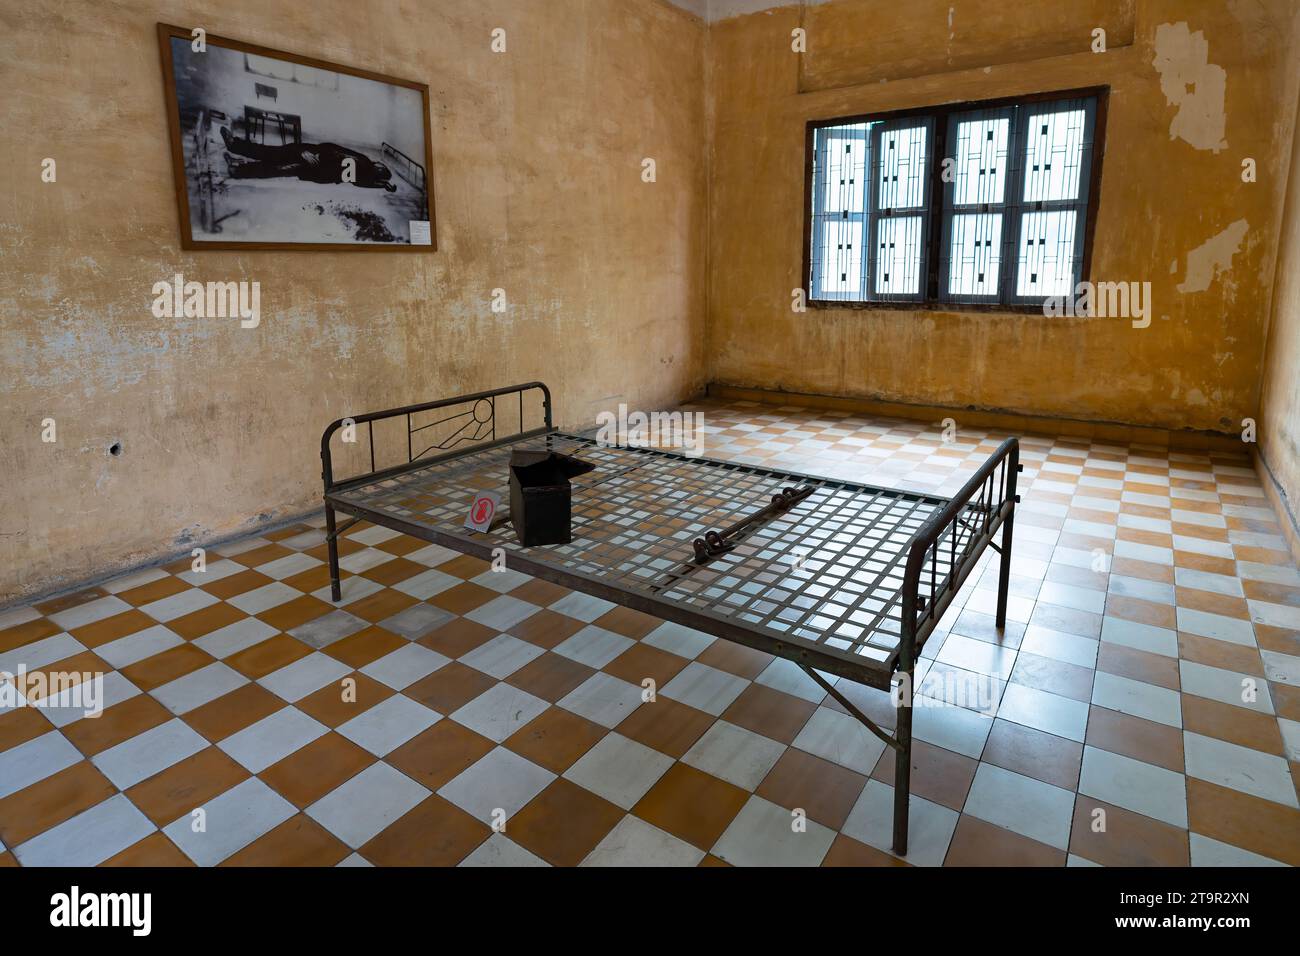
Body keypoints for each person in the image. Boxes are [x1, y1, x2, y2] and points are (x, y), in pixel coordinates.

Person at [219, 126, 396, 191]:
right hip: (319, 174)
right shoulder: (364, 179)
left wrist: (311, 153)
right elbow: (369, 185)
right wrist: (384, 185)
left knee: (273, 157)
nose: (380, 163)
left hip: (315, 160)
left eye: (382, 166)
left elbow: (336, 150)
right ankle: (238, 168)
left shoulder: (364, 162)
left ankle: (235, 147)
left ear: (378, 168)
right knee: (276, 167)